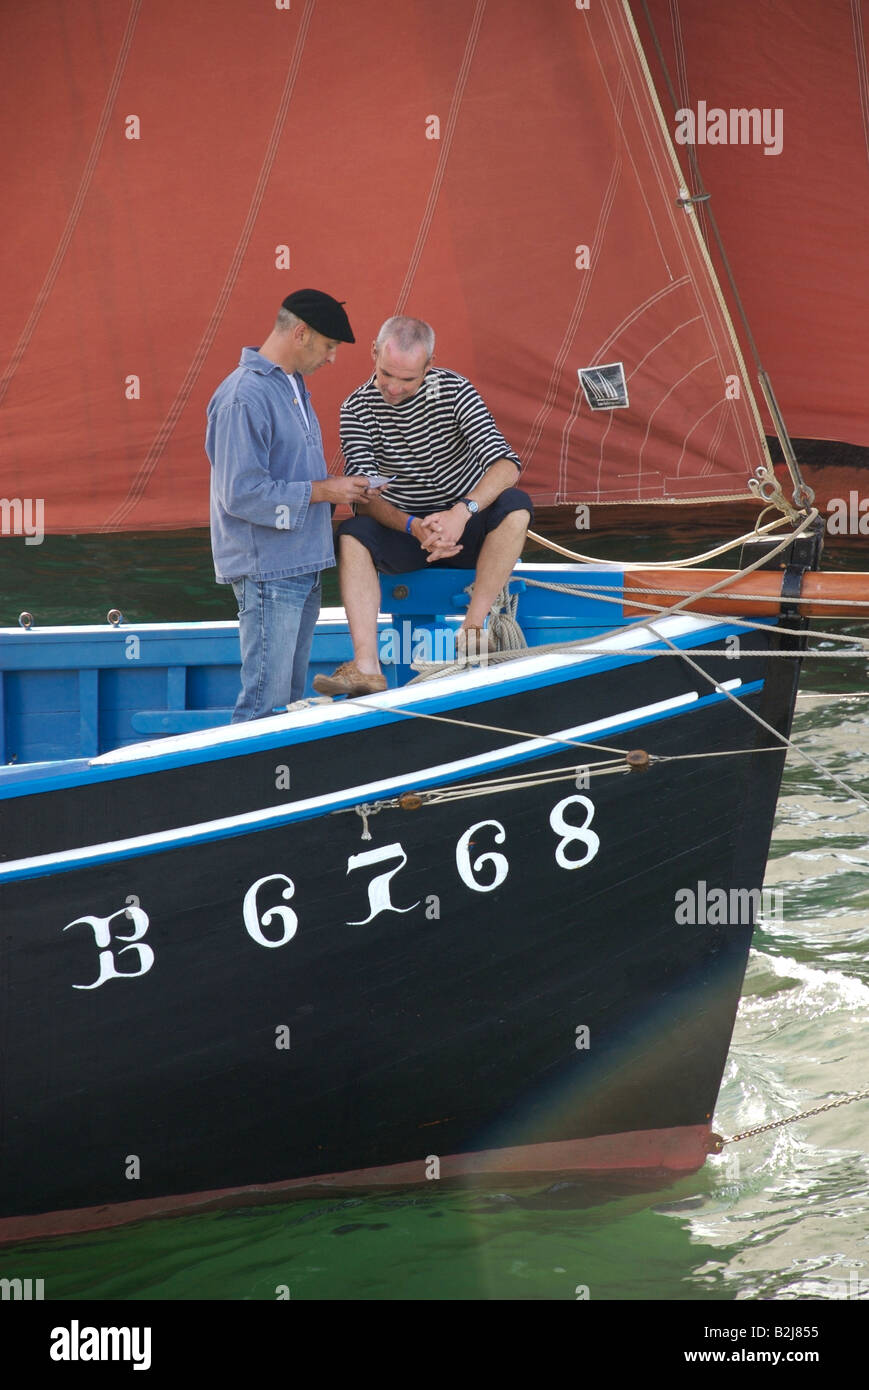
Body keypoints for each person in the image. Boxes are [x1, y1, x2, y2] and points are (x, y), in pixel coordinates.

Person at [313, 316, 532, 696]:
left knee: (517, 505)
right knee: (352, 532)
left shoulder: (457, 391)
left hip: (467, 529)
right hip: (407, 534)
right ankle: (366, 667)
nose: (394, 388)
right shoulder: (356, 409)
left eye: (408, 379)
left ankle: (474, 630)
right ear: (374, 353)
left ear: (429, 366)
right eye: (386, 374)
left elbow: (506, 464)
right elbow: (365, 499)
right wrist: (415, 525)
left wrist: (461, 513)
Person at [206, 289, 370, 721]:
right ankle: (247, 786)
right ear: (301, 333)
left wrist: (336, 487)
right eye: (330, 346)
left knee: (286, 704)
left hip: (304, 565)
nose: (333, 358)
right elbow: (241, 494)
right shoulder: (243, 396)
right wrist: (326, 491)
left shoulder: (293, 385)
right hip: (269, 572)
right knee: (264, 707)